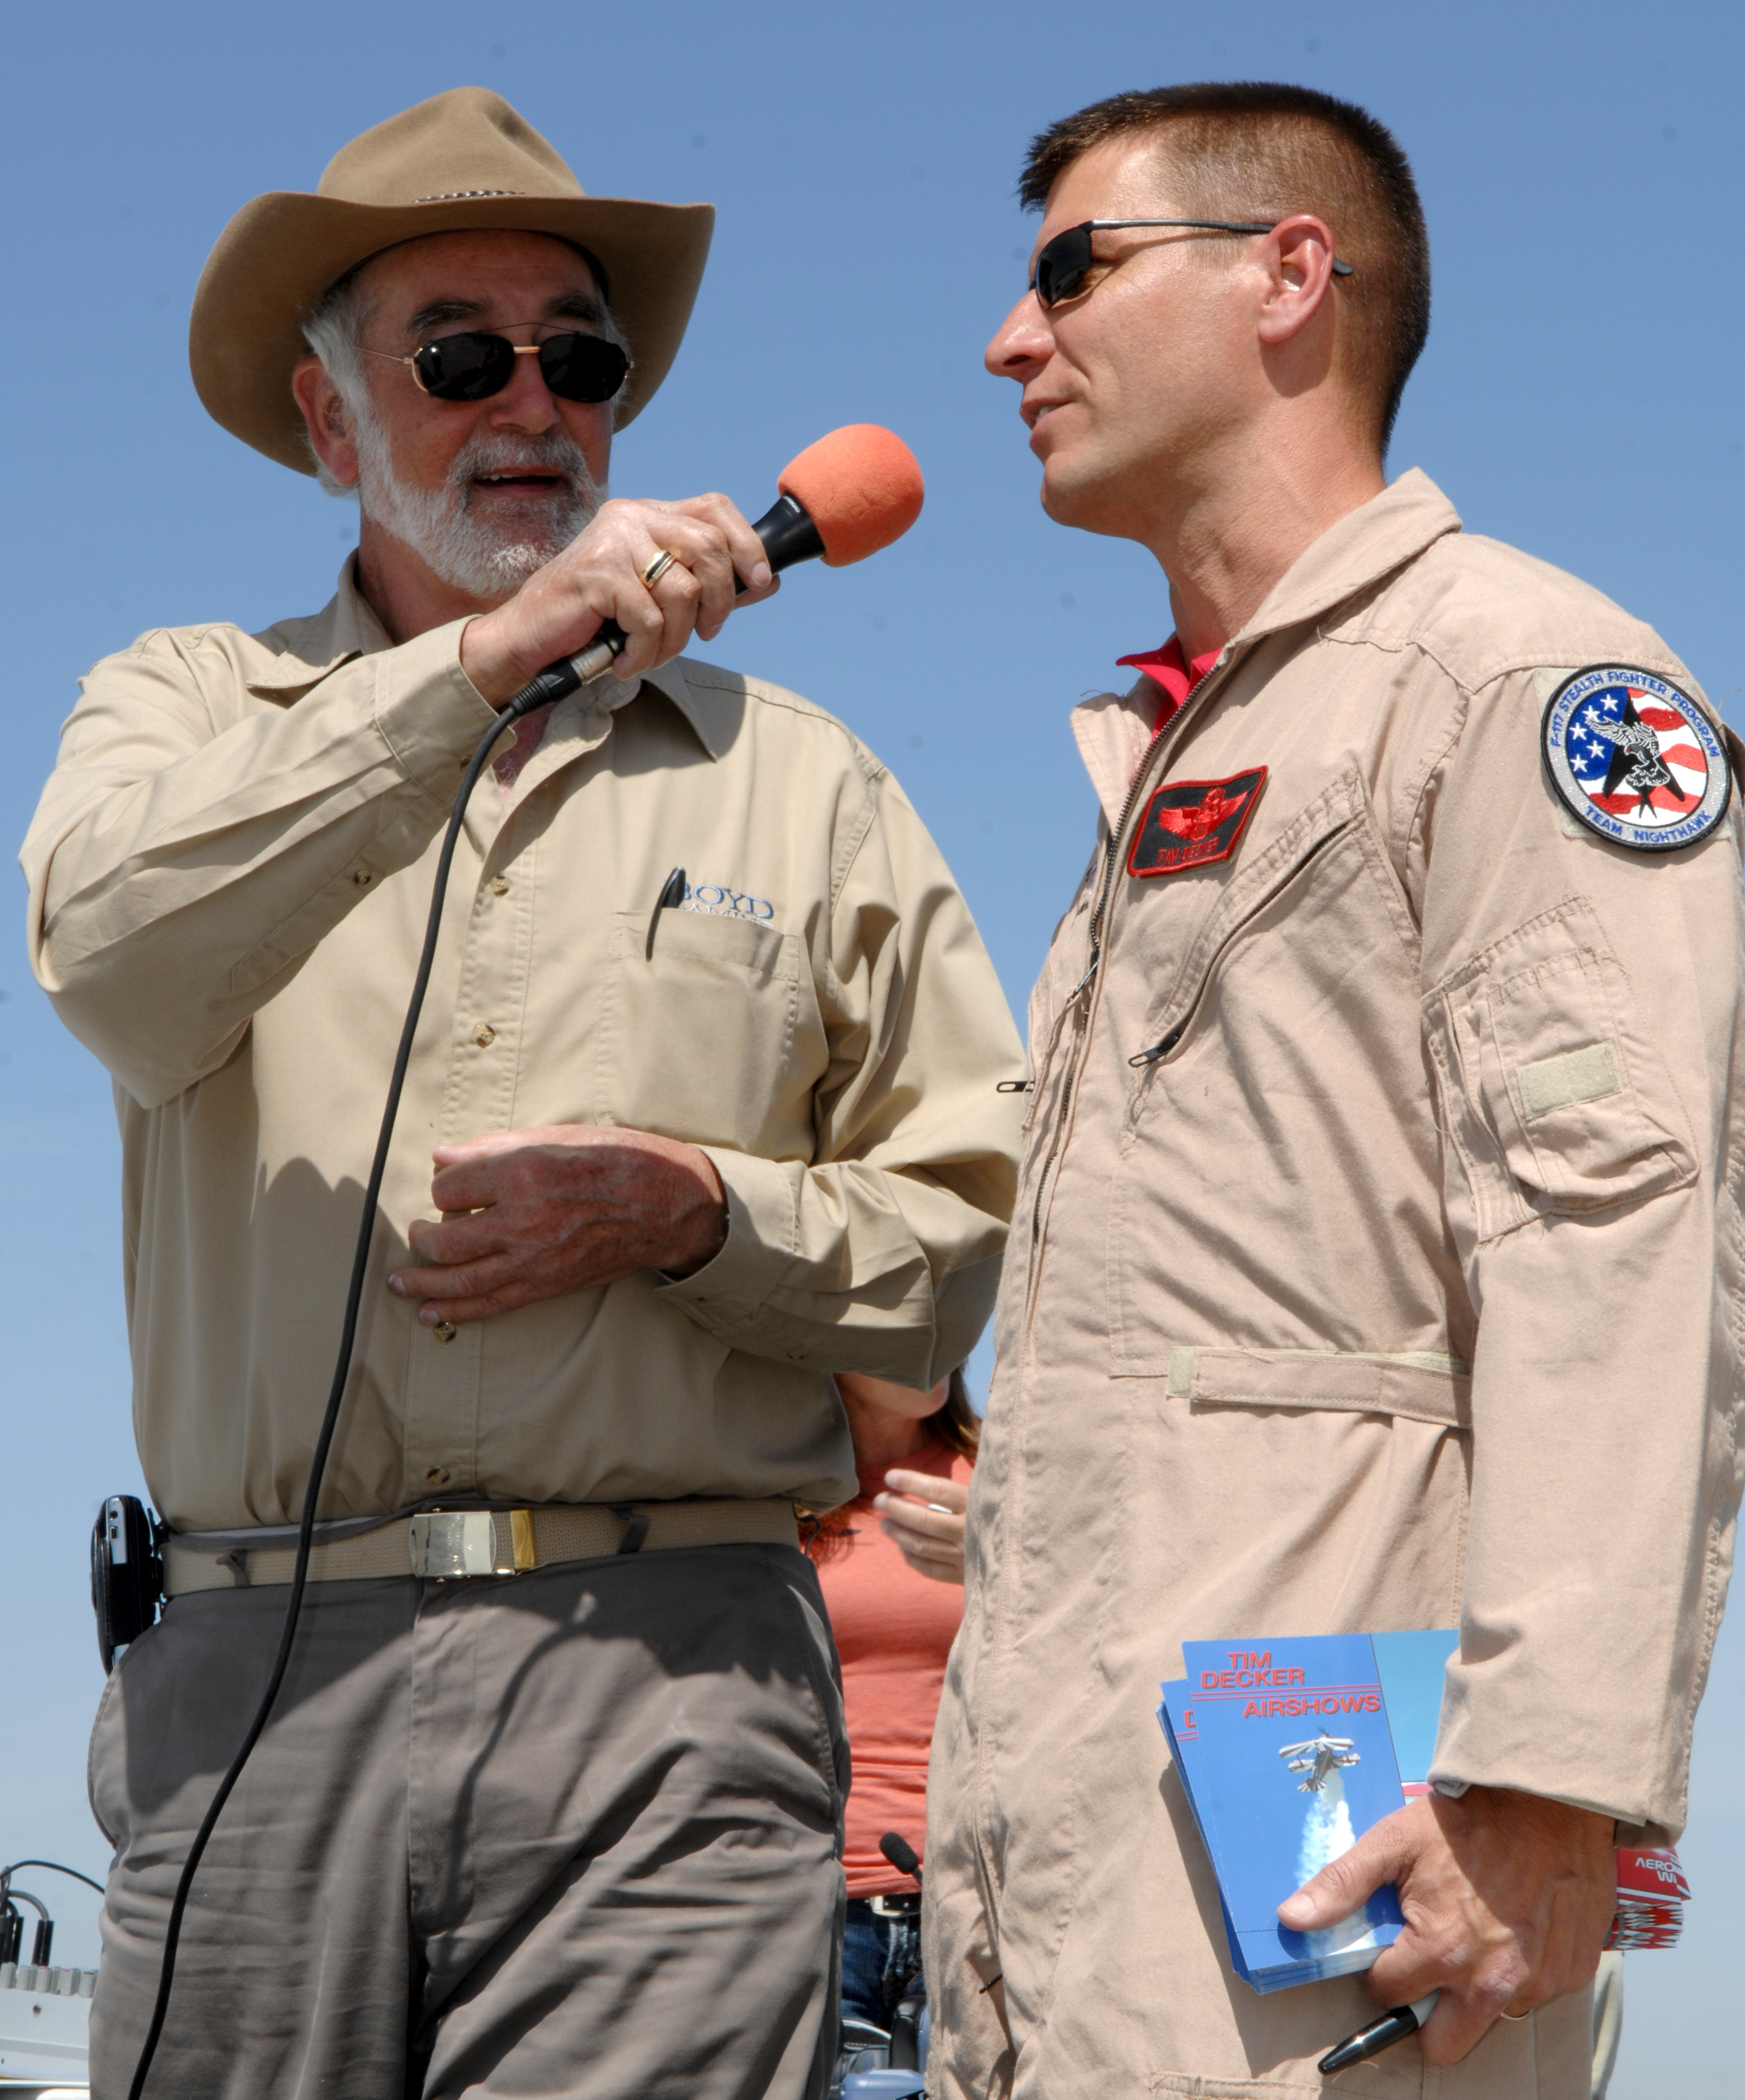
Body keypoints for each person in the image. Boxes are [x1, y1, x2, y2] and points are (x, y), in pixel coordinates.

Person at [22, 88, 1024, 2099]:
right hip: (254, 1684)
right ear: (326, 421)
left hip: (675, 1697)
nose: (535, 403)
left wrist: (702, 1217)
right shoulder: (180, 704)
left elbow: (955, 1252)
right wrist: (476, 667)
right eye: (460, 355)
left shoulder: (809, 780)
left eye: (583, 357)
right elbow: (113, 964)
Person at [925, 79, 1745, 2100]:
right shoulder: (1175, 752)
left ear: (1292, 274)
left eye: (1068, 271)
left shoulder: (1521, 678)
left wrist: (1550, 1775)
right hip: (1082, 1857)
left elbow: (1618, 1236)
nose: (1008, 341)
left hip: (1359, 1867)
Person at [807, 1370, 974, 2060]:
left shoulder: (1007, 1475)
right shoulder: (761, 1499)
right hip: (813, 1911)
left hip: (976, 1905)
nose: (935, 1335)